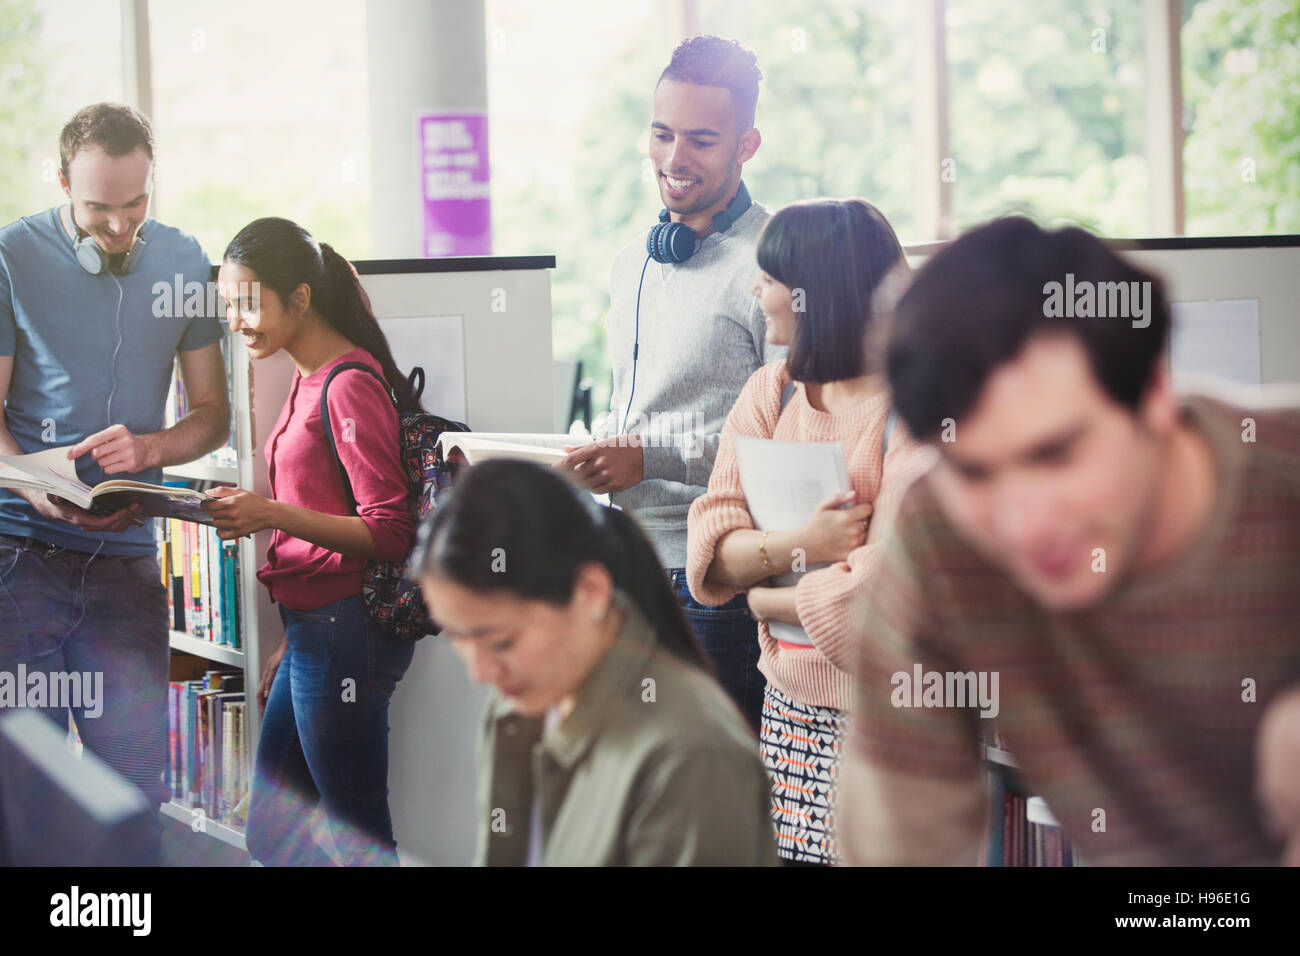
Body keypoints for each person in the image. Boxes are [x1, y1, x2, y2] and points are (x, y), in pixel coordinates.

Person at [838, 216, 1300, 866]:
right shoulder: (936, 537)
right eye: (973, 471)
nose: (1025, 525)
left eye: (1056, 455)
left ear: (1156, 392)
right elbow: (897, 839)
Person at [0, 103, 230, 861]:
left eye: (136, 205)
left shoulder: (186, 260)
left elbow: (212, 415)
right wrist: (34, 481)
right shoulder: (11, 255)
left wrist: (154, 446)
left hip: (127, 566)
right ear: (63, 183)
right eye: (99, 208)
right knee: (25, 794)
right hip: (20, 558)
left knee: (135, 792)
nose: (120, 227)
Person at [686, 199, 932, 864]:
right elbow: (711, 540)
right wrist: (808, 548)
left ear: (812, 295)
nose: (755, 293)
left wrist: (762, 594)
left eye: (767, 279)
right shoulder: (773, 391)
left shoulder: (917, 412)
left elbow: (880, 600)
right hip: (788, 710)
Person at [559, 35, 783, 733]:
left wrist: (651, 457)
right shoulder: (633, 263)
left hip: (712, 582)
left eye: (701, 140)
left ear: (746, 145)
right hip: (624, 571)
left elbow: (788, 437)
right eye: (662, 134)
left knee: (718, 810)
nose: (674, 158)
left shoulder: (775, 263)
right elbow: (640, 409)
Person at [416, 458, 778, 866]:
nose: (480, 673)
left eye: (501, 642)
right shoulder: (516, 706)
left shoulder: (689, 757)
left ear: (590, 592)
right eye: (459, 641)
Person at [205, 217, 417, 866]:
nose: (237, 321)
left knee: (358, 839)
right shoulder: (305, 376)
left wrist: (269, 513)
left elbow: (390, 531)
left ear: (299, 299)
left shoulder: (347, 384)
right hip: (313, 635)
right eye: (228, 306)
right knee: (273, 835)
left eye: (249, 303)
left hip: (343, 632)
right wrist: (291, 646)